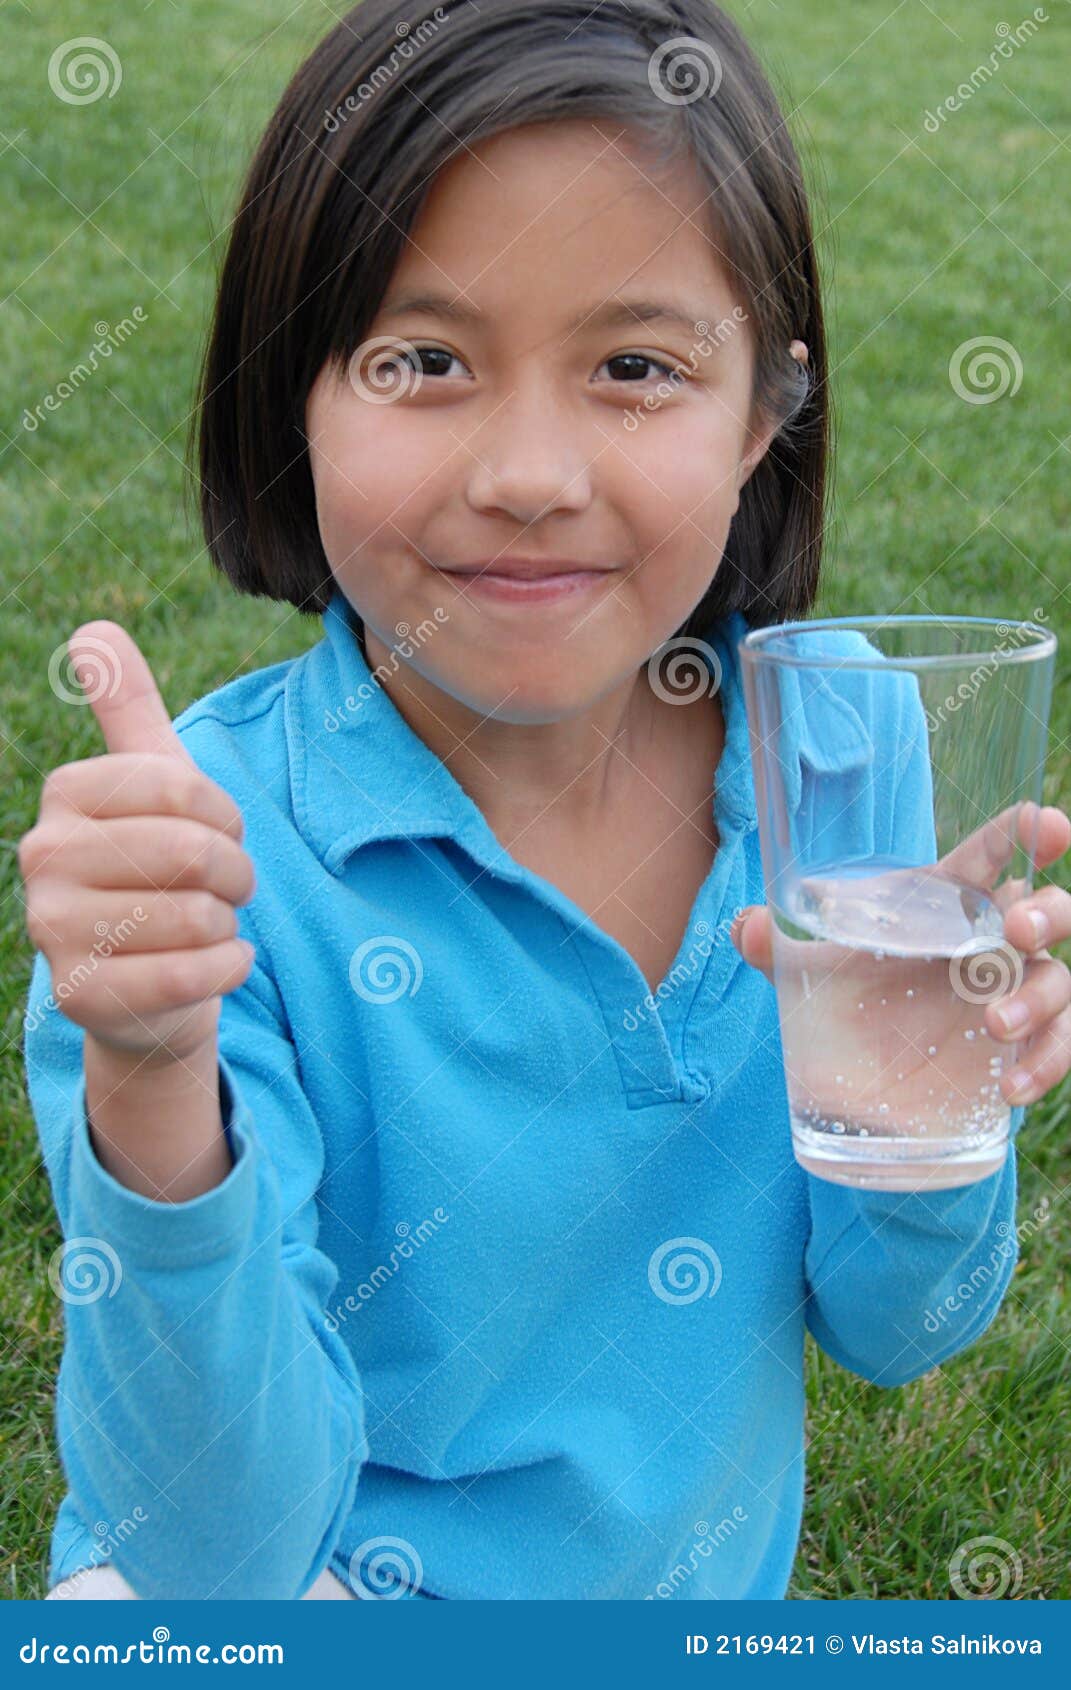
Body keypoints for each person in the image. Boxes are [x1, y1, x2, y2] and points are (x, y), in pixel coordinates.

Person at [20, 0, 1071, 1601]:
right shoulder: (197, 866)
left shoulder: (839, 742)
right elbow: (214, 1564)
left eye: (636, 367)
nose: (527, 469)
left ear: (763, 415)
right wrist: (159, 1080)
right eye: (421, 360)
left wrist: (940, 1106)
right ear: (292, 393)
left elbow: (892, 1325)